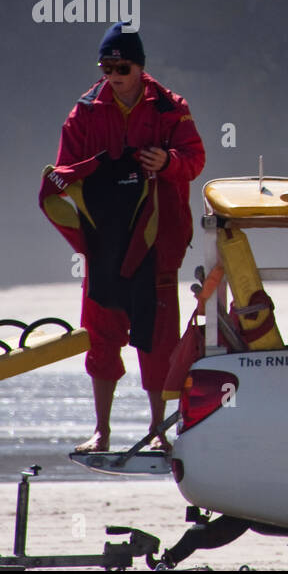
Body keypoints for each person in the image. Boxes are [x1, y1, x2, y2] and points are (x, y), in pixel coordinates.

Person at [45, 24, 205, 453]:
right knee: (101, 335)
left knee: (157, 339)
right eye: (106, 66)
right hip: (105, 243)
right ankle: (102, 430)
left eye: (122, 66)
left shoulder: (171, 108)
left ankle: (158, 429)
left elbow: (195, 159)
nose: (113, 74)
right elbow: (62, 174)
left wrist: (168, 161)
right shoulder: (85, 112)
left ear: (140, 66)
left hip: (158, 242)